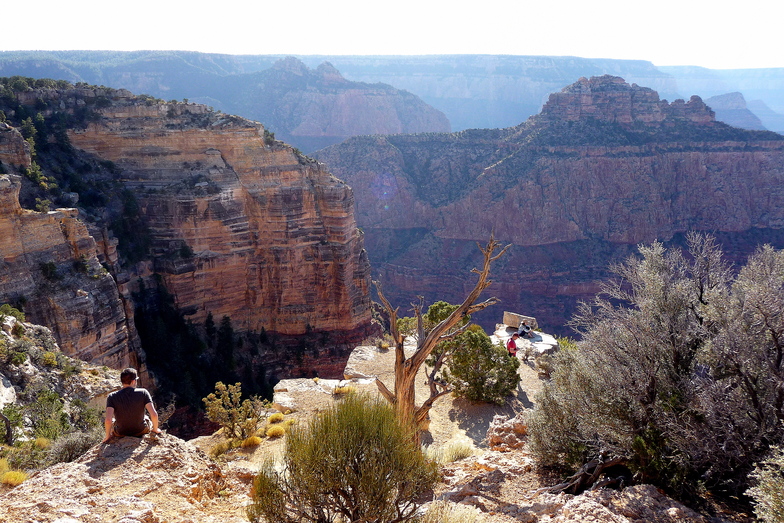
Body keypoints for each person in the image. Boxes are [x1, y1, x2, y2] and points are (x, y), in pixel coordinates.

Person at [102, 367, 161, 443]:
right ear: (133, 381)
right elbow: (154, 414)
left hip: (120, 433)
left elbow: (108, 420)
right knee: (146, 417)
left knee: (113, 420)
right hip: (141, 430)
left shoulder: (112, 396)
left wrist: (108, 436)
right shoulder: (143, 392)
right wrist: (155, 429)